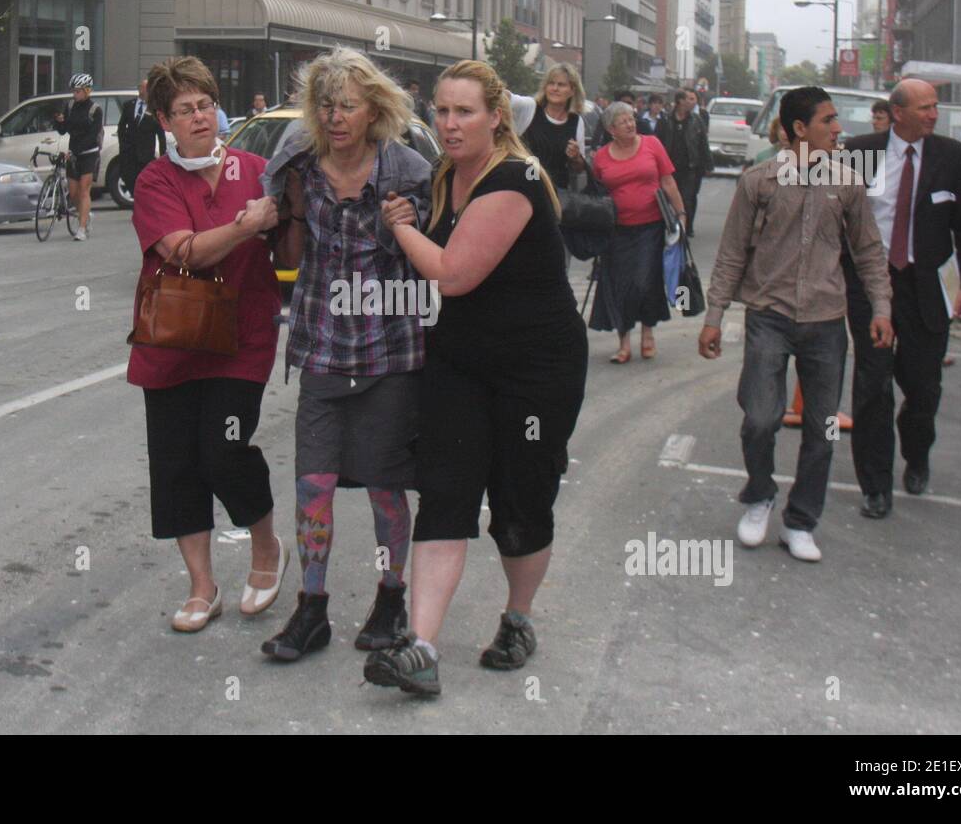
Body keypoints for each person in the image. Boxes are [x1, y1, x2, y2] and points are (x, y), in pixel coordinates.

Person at [362, 60, 588, 696]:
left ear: (496, 117)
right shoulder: (443, 177)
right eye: (442, 110)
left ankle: (518, 619)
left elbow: (455, 274)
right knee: (445, 493)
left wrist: (402, 227)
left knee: (519, 505)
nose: (451, 123)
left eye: (465, 111)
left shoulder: (515, 178)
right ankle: (422, 649)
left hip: (535, 371)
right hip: (460, 363)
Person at [258, 47, 432, 661]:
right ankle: (312, 609)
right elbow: (273, 223)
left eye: (348, 106)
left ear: (373, 110)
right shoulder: (299, 166)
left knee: (387, 487)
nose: (335, 118)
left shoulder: (407, 169)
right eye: (326, 105)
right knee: (313, 485)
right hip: (324, 347)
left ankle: (391, 598)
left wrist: (411, 224)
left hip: (389, 351)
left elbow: (435, 253)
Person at [699, 86, 894, 561]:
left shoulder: (847, 183)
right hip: (769, 316)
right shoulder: (759, 182)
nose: (838, 128)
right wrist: (714, 316)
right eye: (828, 120)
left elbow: (868, 251)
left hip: (827, 322)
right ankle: (760, 494)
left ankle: (800, 521)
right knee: (760, 419)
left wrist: (882, 307)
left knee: (822, 428)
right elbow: (730, 254)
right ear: (799, 129)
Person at [128, 55, 286, 633]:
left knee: (223, 449)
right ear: (165, 122)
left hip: (242, 338)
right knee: (175, 464)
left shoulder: (257, 168)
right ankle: (202, 586)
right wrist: (249, 225)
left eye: (206, 104)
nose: (199, 116)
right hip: (172, 339)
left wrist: (282, 221)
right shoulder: (155, 180)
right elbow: (184, 250)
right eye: (184, 110)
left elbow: (290, 247)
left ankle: (266, 549)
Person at [840, 79, 961, 518]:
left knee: (923, 388)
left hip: (927, 287)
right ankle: (875, 485)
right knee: (873, 384)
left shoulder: (950, 156)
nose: (933, 114)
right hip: (872, 283)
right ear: (898, 112)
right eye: (924, 107)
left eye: (935, 107)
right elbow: (837, 215)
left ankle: (917, 453)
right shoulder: (861, 150)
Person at [589, 101, 685, 362]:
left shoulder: (652, 145)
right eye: (624, 122)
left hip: (651, 227)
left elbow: (668, 181)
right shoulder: (601, 157)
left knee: (644, 282)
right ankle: (624, 343)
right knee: (620, 286)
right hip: (617, 231)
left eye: (631, 119)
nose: (631, 124)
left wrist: (681, 215)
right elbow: (597, 192)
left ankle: (648, 333)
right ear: (611, 129)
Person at [517, 64, 587, 198]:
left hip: (557, 194)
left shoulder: (576, 122)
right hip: (524, 190)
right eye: (551, 83)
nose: (555, 88)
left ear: (572, 90)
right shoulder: (530, 108)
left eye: (561, 85)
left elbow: (579, 169)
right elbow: (506, 98)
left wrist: (576, 157)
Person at [52, 74, 102, 240]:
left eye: (78, 91)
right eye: (74, 91)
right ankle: (86, 215)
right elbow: (63, 129)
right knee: (73, 194)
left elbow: (93, 134)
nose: (75, 94)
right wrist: (59, 121)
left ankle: (81, 229)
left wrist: (77, 150)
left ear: (87, 91)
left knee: (84, 190)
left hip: (89, 153)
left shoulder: (95, 109)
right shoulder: (71, 106)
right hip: (73, 154)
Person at [656, 89, 712, 237]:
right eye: (688, 99)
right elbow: (657, 143)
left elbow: (703, 143)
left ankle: (685, 227)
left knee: (687, 198)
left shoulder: (696, 120)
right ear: (680, 101)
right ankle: (666, 226)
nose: (692, 102)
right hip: (668, 168)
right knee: (666, 198)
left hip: (689, 167)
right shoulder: (665, 120)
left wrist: (708, 163)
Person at [116, 79, 166, 202]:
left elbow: (161, 134)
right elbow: (121, 127)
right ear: (140, 89)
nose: (147, 91)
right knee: (130, 179)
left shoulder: (155, 109)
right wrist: (123, 145)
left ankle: (145, 203)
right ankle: (136, 200)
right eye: (145, 88)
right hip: (129, 152)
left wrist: (162, 154)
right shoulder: (129, 105)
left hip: (146, 153)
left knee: (146, 181)